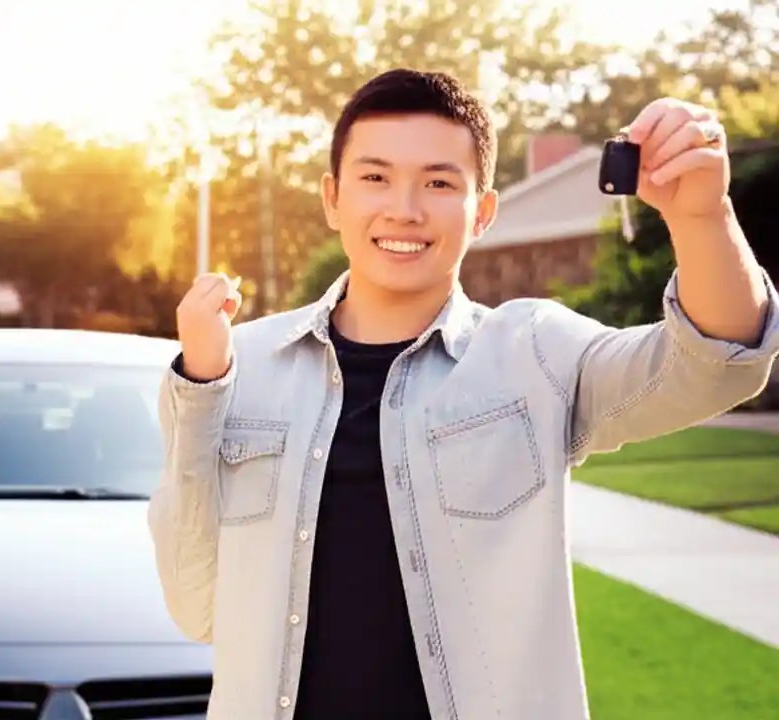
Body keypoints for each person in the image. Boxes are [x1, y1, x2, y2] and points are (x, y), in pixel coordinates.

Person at [147, 68, 779, 720]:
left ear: (482, 212)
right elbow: (195, 606)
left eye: (439, 182)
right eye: (375, 177)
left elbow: (718, 363)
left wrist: (702, 215)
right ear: (333, 199)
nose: (405, 208)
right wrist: (201, 387)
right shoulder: (238, 363)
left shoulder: (534, 353)